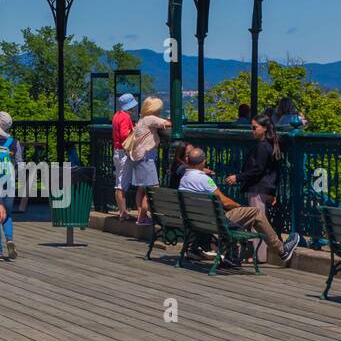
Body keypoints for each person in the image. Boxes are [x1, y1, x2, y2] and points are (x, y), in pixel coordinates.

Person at [179, 147, 299, 264]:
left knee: (246, 216)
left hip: (197, 221)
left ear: (188, 162)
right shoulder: (204, 179)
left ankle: (231, 254)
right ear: (203, 161)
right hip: (215, 222)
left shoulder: (184, 178)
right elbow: (224, 201)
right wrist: (238, 206)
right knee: (255, 213)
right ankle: (282, 251)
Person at [226, 115, 283, 262]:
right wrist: (272, 191)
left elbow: (258, 169)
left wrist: (237, 177)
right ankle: (257, 255)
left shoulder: (262, 146)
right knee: (259, 220)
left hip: (257, 188)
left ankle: (259, 256)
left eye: (254, 127)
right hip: (265, 187)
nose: (252, 130)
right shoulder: (271, 146)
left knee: (257, 222)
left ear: (264, 128)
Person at [0, 111, 23, 261]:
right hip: (8, 182)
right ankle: (9, 239)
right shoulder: (14, 143)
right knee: (7, 214)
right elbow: (20, 163)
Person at [128, 97, 171, 225]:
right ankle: (142, 218)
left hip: (137, 158)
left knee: (141, 189)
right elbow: (168, 124)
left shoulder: (141, 120)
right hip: (147, 158)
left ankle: (141, 216)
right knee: (152, 188)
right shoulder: (150, 119)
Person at [111, 93, 138, 221]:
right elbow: (124, 135)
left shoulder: (116, 115)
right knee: (122, 184)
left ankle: (121, 211)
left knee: (119, 181)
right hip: (123, 152)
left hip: (117, 151)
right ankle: (123, 212)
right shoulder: (126, 117)